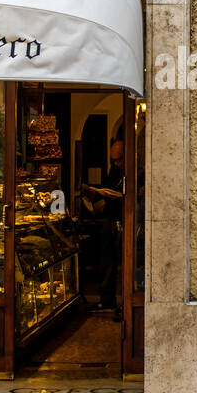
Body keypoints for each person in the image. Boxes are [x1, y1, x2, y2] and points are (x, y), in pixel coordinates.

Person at [83, 135, 124, 321]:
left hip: (123, 220)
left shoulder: (134, 170)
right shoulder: (114, 171)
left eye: (120, 159)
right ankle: (107, 299)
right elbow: (107, 192)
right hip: (110, 219)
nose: (116, 163)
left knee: (122, 264)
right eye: (113, 160)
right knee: (107, 262)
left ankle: (123, 303)